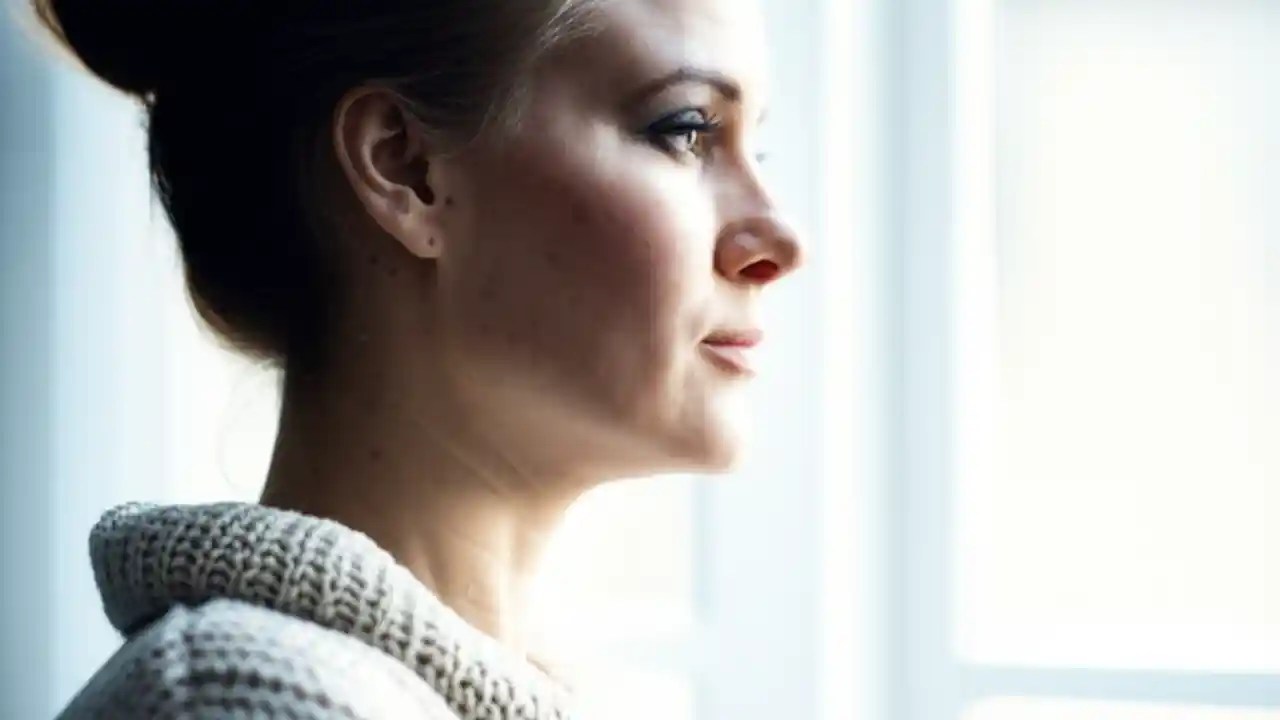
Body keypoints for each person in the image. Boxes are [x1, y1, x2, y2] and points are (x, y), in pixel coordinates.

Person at [40, 0, 803, 716]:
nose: (780, 242)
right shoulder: (245, 701)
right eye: (686, 130)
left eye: (754, 145)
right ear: (405, 168)